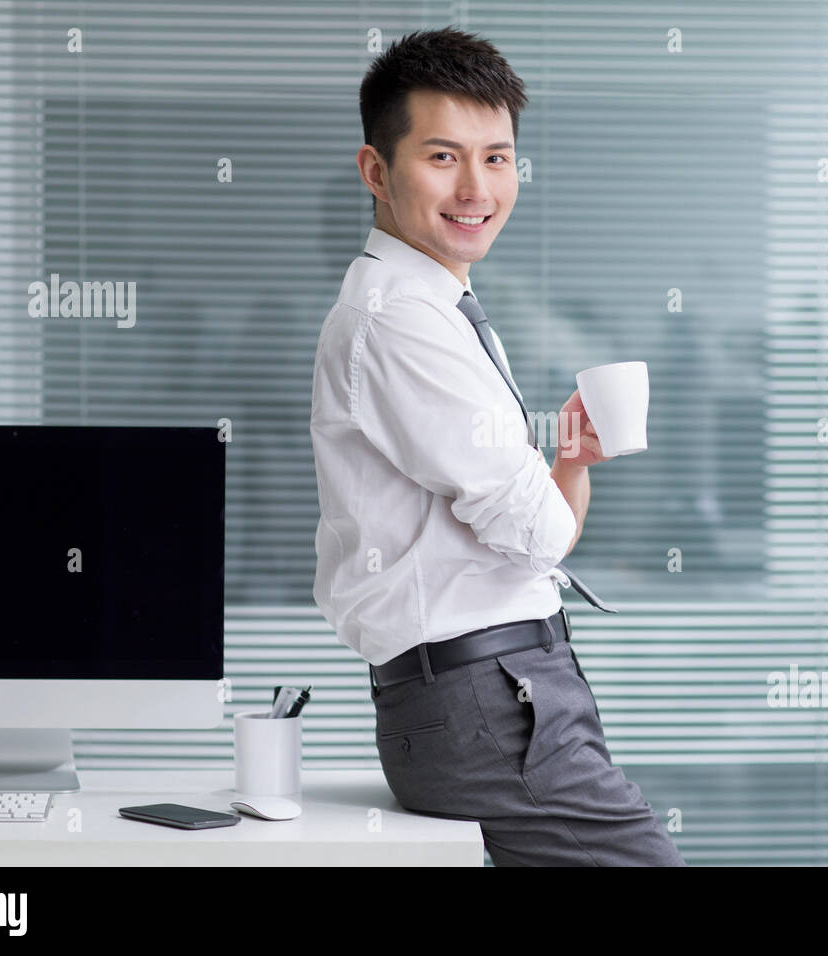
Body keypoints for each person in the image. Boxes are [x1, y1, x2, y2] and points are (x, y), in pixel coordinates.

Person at [310, 26, 685, 867]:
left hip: (504, 690)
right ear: (376, 171)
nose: (476, 187)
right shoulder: (401, 319)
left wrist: (569, 464)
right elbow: (539, 534)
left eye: (498, 157)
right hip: (489, 700)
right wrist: (552, 488)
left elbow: (529, 527)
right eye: (442, 157)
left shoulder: (435, 302)